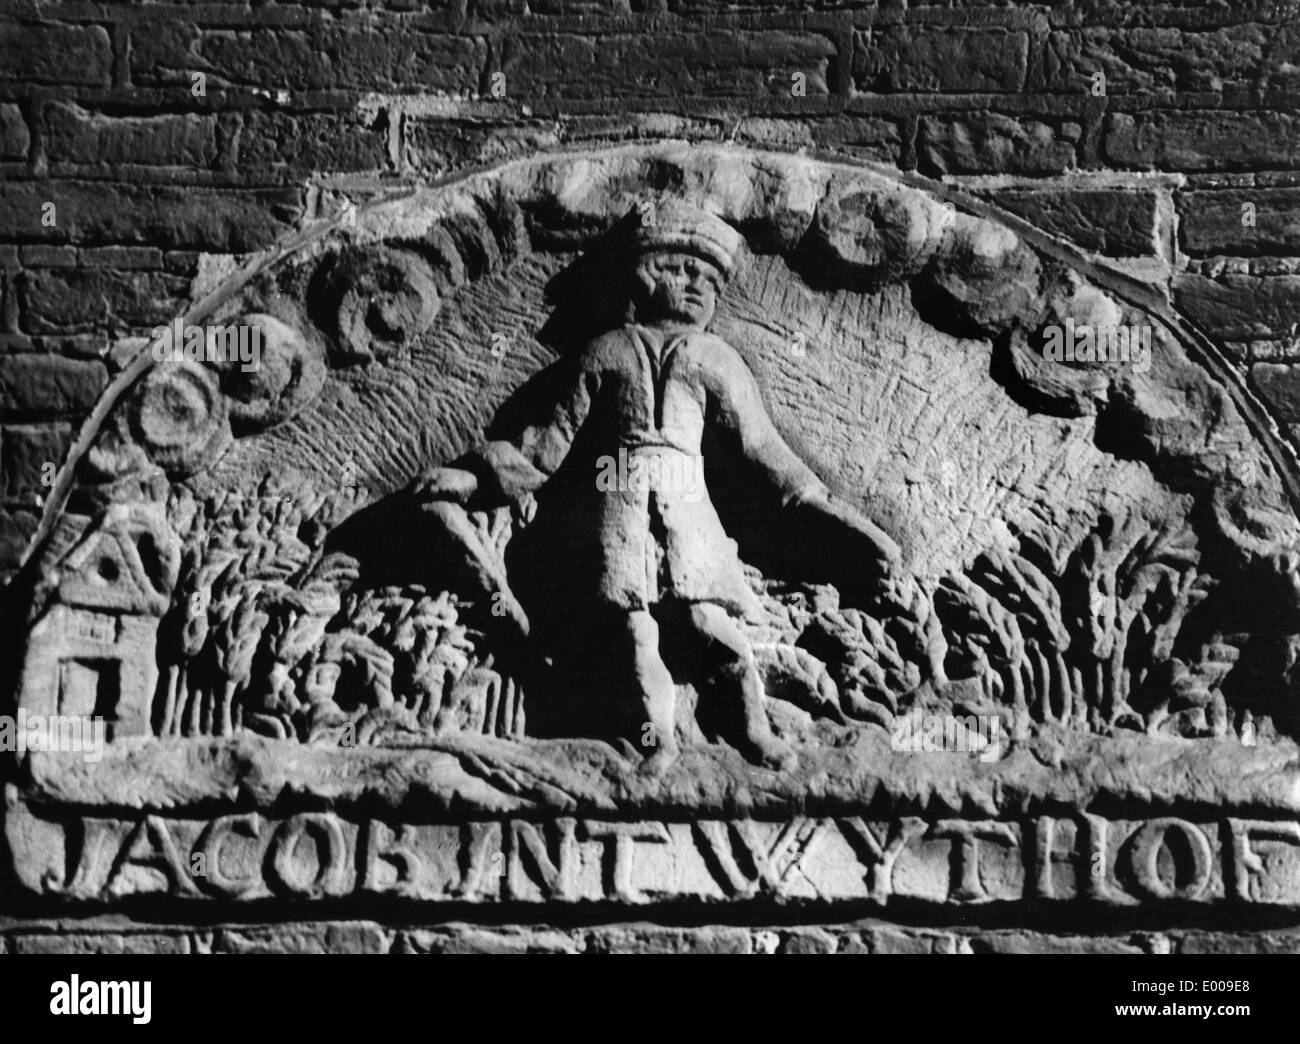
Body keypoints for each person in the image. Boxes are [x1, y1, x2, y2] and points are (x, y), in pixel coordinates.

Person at [412, 201, 901, 773]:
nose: (697, 287)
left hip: (689, 522)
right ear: (644, 275)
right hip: (617, 523)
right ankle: (657, 742)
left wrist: (847, 523)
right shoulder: (607, 352)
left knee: (712, 630)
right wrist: (470, 476)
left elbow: (766, 455)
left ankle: (752, 730)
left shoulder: (716, 360)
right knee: (635, 637)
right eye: (682, 271)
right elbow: (543, 446)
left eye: (709, 280)